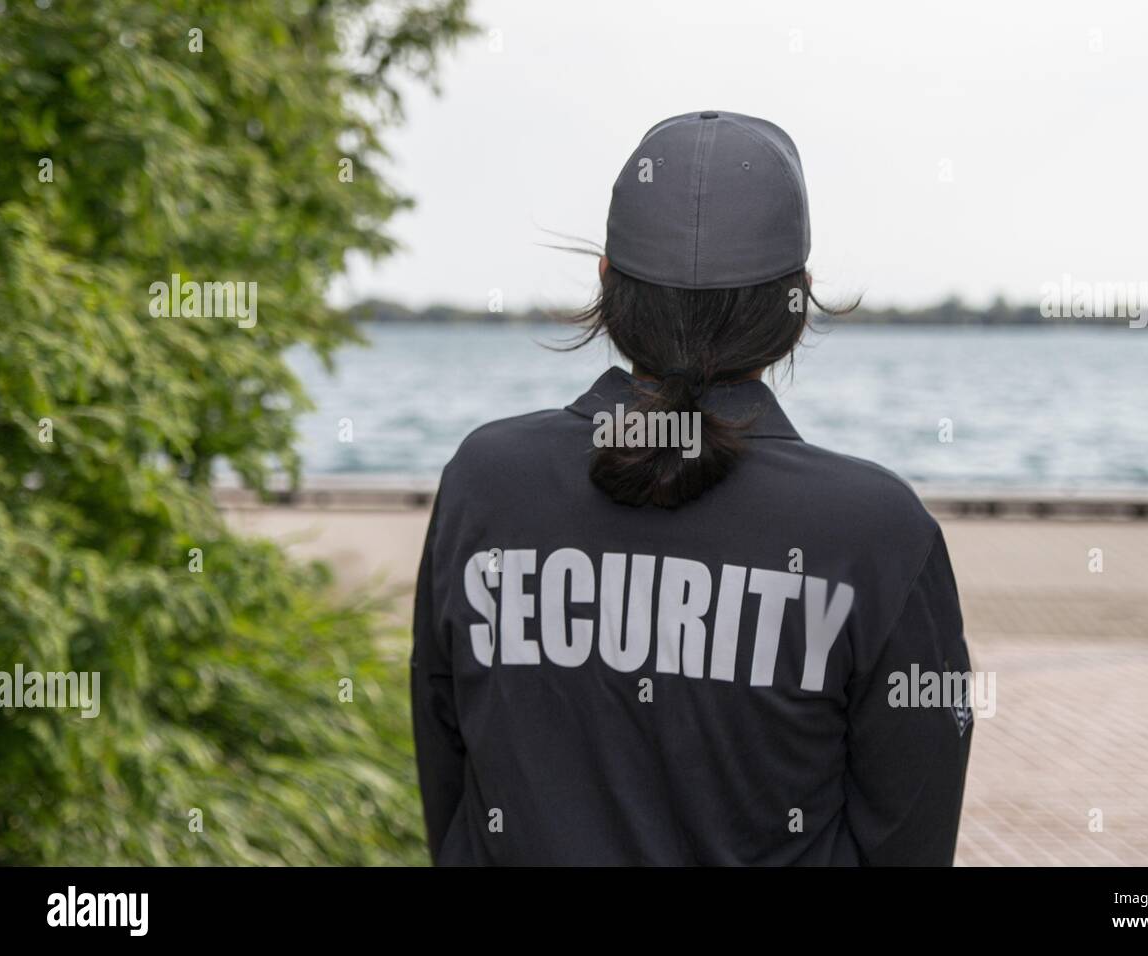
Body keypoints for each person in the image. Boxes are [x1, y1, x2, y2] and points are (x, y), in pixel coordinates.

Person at [411, 110, 973, 865]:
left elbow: (451, 791)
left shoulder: (485, 483)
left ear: (607, 285)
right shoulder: (876, 532)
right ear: (799, 304)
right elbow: (910, 839)